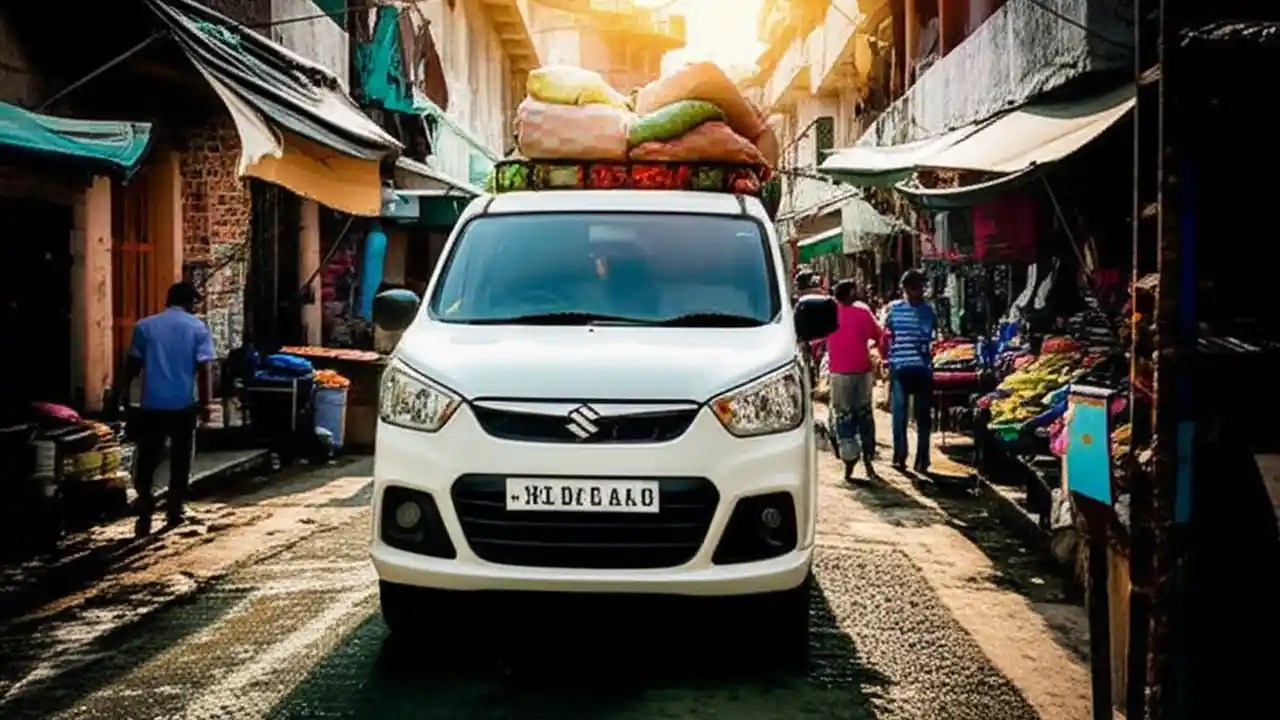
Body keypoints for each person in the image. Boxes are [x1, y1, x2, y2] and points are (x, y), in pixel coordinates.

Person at [120, 282, 215, 536]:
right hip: (184, 404)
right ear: (188, 302)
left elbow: (133, 364)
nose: (196, 307)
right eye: (195, 302)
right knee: (181, 458)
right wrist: (206, 403)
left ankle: (145, 506)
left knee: (148, 457)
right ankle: (174, 509)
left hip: (152, 404)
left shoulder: (145, 326)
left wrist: (123, 396)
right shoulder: (198, 328)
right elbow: (205, 368)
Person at [827, 279, 885, 483]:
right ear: (851, 292)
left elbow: (815, 340)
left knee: (843, 416)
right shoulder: (862, 311)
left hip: (840, 374)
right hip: (862, 371)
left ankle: (849, 463)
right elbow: (879, 336)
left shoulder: (829, 312)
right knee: (864, 414)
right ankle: (868, 459)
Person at [880, 269, 937, 474]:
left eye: (921, 287)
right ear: (906, 289)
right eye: (916, 287)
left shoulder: (898, 310)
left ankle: (920, 459)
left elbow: (887, 336)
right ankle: (902, 456)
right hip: (905, 368)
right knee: (901, 415)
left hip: (917, 368)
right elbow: (886, 337)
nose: (919, 291)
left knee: (917, 417)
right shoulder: (902, 310)